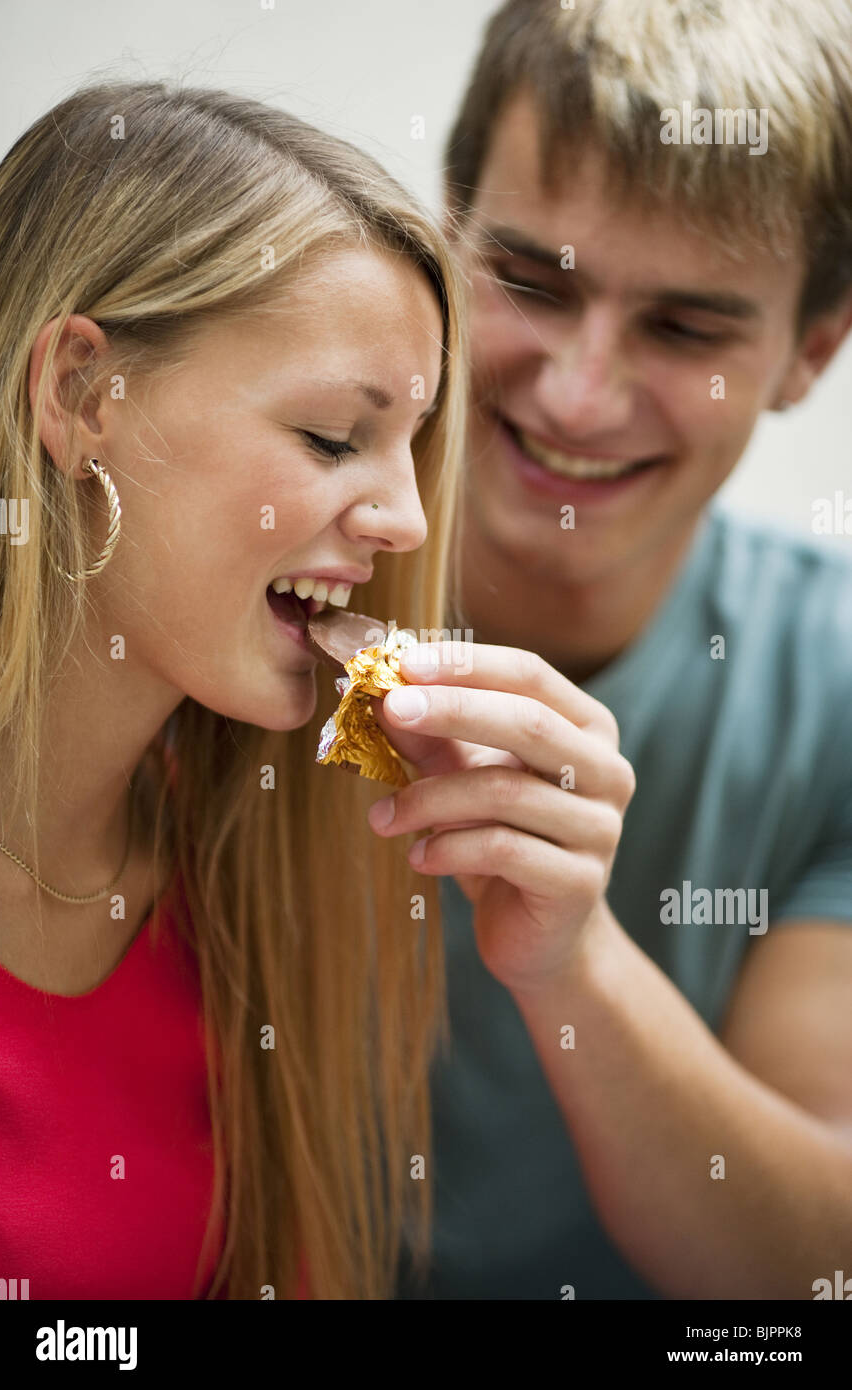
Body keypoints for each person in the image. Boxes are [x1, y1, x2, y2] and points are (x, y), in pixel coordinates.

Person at [384, 0, 852, 1299]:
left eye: (685, 330)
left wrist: (571, 957)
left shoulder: (830, 677)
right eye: (530, 284)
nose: (578, 395)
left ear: (809, 349)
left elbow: (810, 1267)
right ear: (446, 228)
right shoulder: (237, 579)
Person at [0, 77, 475, 1300]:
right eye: (329, 437)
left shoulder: (244, 878)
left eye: (412, 447)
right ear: (81, 396)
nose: (408, 520)